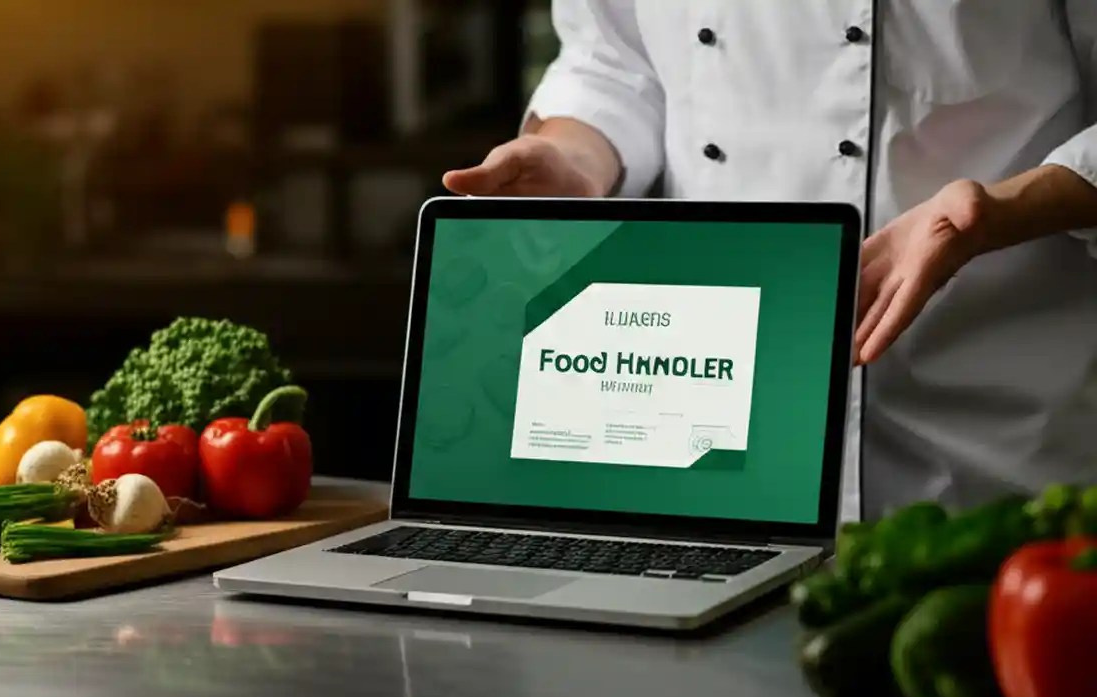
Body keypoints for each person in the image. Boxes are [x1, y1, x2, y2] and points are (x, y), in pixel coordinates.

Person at [444, 2, 1097, 520]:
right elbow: (614, 64)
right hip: (710, 402)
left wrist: (1004, 209)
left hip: (994, 427)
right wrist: (575, 159)